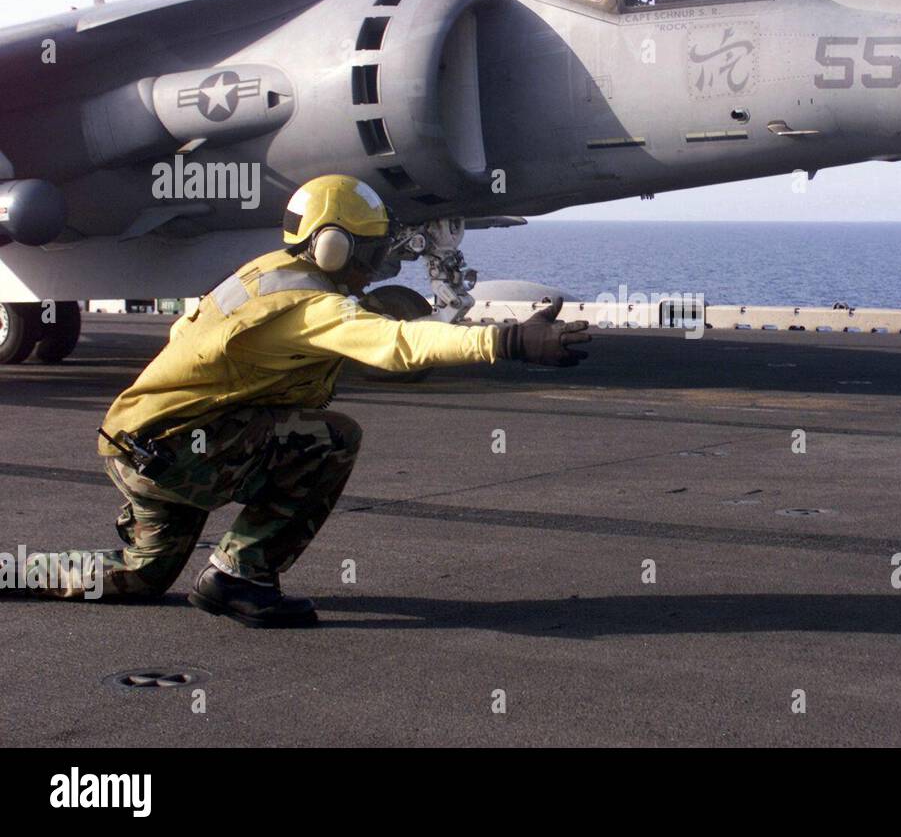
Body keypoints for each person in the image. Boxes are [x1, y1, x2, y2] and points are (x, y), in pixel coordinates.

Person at [12, 174, 590, 626]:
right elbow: (398, 346)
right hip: (177, 449)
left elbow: (182, 337)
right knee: (331, 436)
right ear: (333, 247)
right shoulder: (312, 308)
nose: (376, 262)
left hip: (138, 444)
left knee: (138, 578)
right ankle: (242, 577)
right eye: (367, 249)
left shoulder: (265, 275)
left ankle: (14, 570)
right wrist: (511, 340)